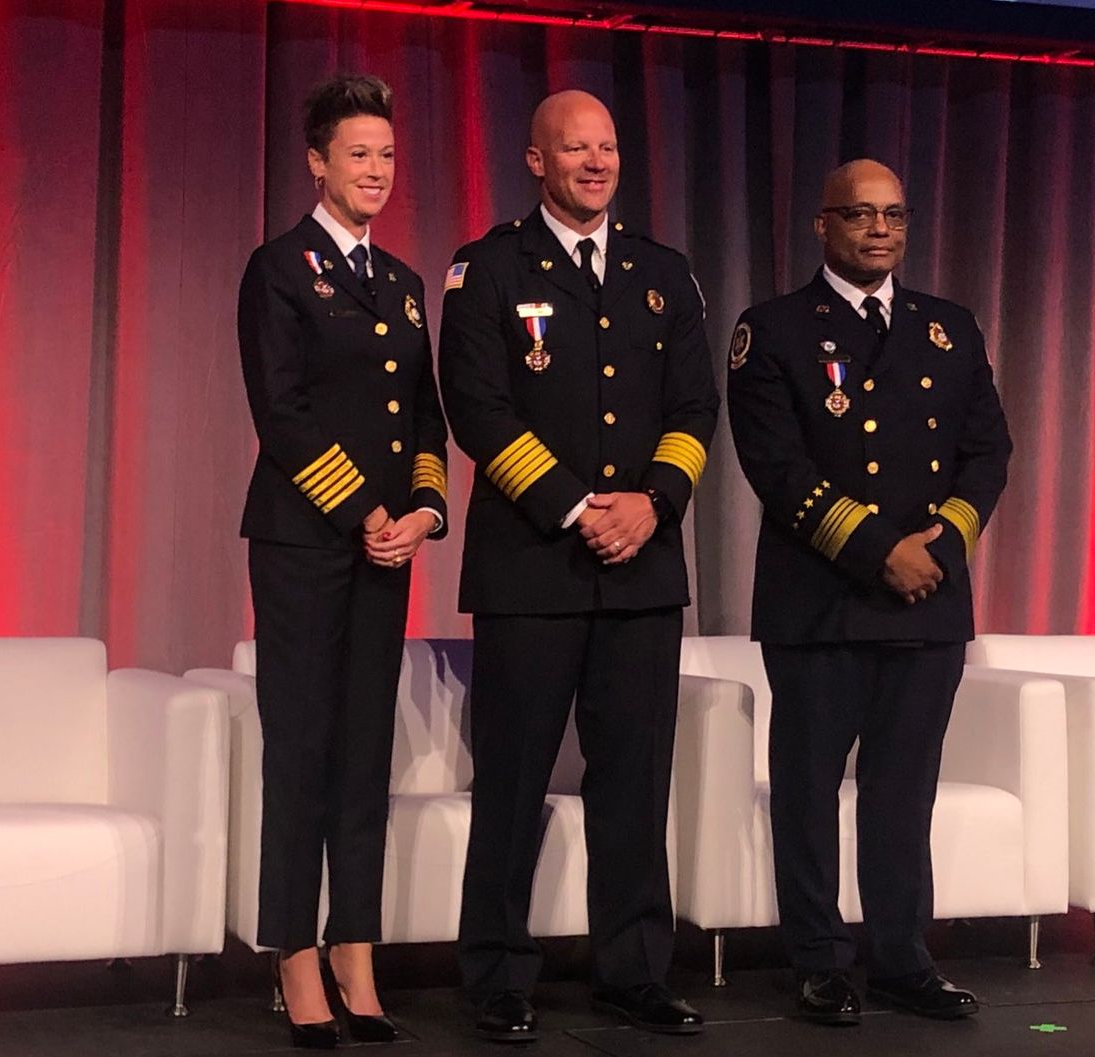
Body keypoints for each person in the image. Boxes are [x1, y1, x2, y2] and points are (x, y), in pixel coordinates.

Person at [437, 89, 718, 1043]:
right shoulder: (487, 267)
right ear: (535, 160)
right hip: (532, 567)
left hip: (642, 569)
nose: (596, 163)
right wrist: (574, 505)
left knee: (635, 783)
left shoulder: (663, 272)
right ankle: (496, 973)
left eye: (607, 147)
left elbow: (695, 407)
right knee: (512, 780)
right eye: (575, 149)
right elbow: (476, 405)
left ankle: (634, 971)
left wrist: (654, 503)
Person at [726, 159, 1012, 1025]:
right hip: (821, 601)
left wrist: (944, 544)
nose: (880, 229)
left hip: (929, 601)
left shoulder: (947, 327)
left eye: (894, 214)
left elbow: (987, 451)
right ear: (823, 225)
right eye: (860, 214)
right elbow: (776, 465)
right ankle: (819, 960)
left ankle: (901, 958)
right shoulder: (773, 329)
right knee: (808, 792)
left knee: (903, 792)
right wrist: (880, 549)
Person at [237, 74, 449, 1050]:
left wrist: (421, 512)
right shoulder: (279, 268)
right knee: (303, 748)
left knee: (366, 750)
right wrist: (366, 508)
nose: (376, 170)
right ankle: (293, 954)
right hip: (303, 541)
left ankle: (355, 949)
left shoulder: (402, 283)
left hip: (385, 547)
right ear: (317, 162)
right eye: (358, 153)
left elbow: (425, 418)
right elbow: (281, 413)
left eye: (387, 155)